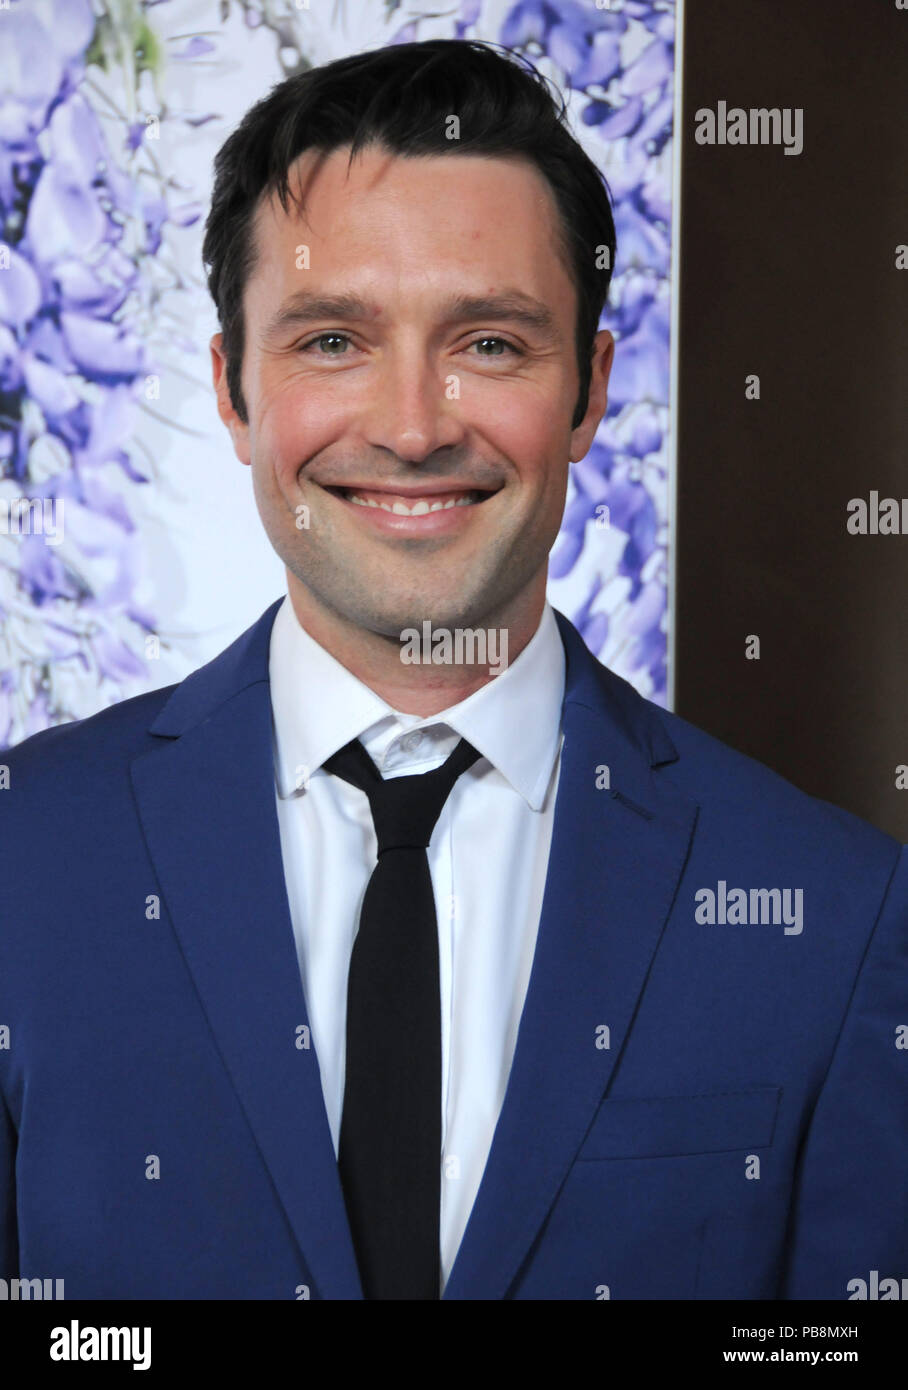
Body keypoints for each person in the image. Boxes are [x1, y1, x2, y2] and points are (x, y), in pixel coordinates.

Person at [1, 38, 905, 1302]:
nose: (414, 426)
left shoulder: (837, 914)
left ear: (589, 393)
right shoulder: (24, 858)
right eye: (330, 341)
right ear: (232, 392)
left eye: (488, 342)